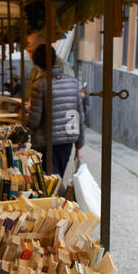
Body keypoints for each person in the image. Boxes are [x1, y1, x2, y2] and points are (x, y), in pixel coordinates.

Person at [26, 41, 84, 179]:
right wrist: (79, 145)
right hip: (67, 140)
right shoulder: (73, 82)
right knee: (58, 179)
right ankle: (59, 200)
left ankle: (58, 199)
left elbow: (34, 121)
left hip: (45, 141)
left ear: (37, 63)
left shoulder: (39, 84)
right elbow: (79, 115)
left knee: (48, 182)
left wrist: (23, 117)